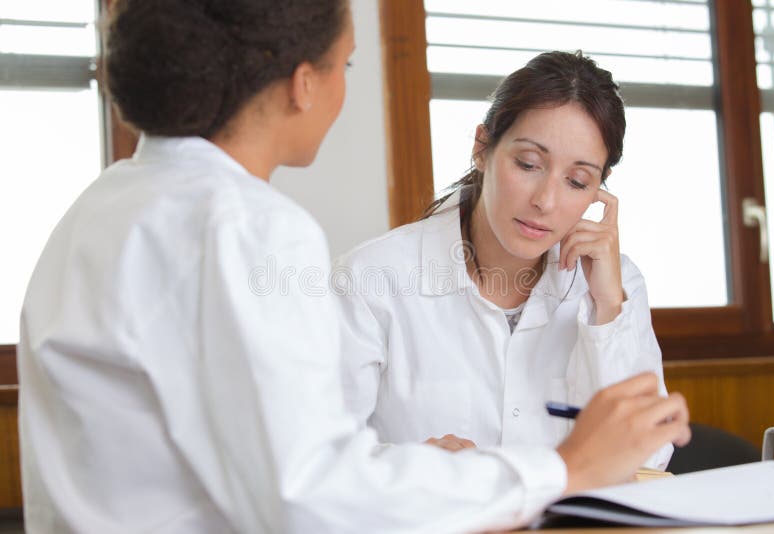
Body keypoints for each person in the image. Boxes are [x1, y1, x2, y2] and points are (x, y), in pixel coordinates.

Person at [17, 2, 689, 532]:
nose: (546, 198)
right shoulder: (250, 230)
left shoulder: (101, 207)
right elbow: (312, 500)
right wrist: (556, 469)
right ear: (305, 84)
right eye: (347, 64)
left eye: (578, 179)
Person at [336, 51, 673, 467]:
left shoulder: (616, 286)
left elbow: (651, 457)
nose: (545, 201)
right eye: (528, 164)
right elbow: (319, 459)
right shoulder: (373, 280)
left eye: (577, 181)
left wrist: (607, 313)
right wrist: (412, 466)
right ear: (482, 148)